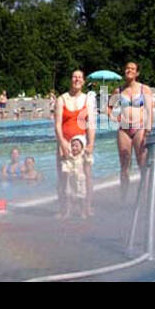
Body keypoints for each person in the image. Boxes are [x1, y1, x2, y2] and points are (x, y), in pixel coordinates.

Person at [55, 69, 96, 217]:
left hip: (82, 142)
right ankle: (64, 209)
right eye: (74, 77)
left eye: (80, 77)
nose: (77, 79)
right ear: (70, 80)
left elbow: (90, 123)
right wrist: (62, 143)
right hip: (65, 142)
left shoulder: (87, 100)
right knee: (63, 176)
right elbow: (58, 124)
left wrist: (91, 144)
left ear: (83, 81)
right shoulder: (61, 99)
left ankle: (86, 207)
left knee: (86, 175)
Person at [113, 61, 152, 200]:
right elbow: (107, 107)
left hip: (140, 128)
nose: (129, 70)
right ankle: (123, 196)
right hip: (124, 130)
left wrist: (148, 129)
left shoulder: (144, 89)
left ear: (137, 73)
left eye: (132, 68)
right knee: (124, 165)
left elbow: (149, 110)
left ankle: (145, 196)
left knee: (142, 163)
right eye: (127, 68)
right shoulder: (118, 90)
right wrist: (115, 117)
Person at [59, 136, 90, 219]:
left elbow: (88, 162)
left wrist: (87, 154)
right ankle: (67, 212)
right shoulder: (69, 157)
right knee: (68, 196)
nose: (74, 148)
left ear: (82, 147)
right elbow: (65, 165)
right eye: (72, 146)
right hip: (70, 180)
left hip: (80, 180)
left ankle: (82, 212)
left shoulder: (83, 157)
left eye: (76, 146)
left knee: (81, 197)